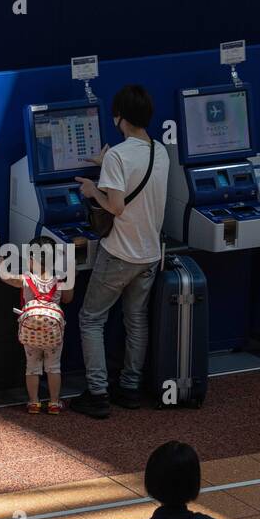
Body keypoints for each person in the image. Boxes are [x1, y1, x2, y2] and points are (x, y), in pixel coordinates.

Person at [70, 83, 168, 419]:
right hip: (150, 254)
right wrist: (106, 164)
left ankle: (97, 393)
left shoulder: (117, 156)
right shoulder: (160, 150)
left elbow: (117, 207)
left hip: (119, 254)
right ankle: (129, 388)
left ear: (119, 118)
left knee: (91, 319)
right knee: (136, 320)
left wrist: (91, 188)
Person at [0, 241, 73, 414]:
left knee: (31, 367)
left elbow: (4, 277)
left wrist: (0, 261)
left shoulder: (25, 279)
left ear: (31, 260)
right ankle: (54, 403)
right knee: (54, 367)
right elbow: (68, 299)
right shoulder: (59, 281)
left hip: (31, 332)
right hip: (53, 333)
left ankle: (34, 402)